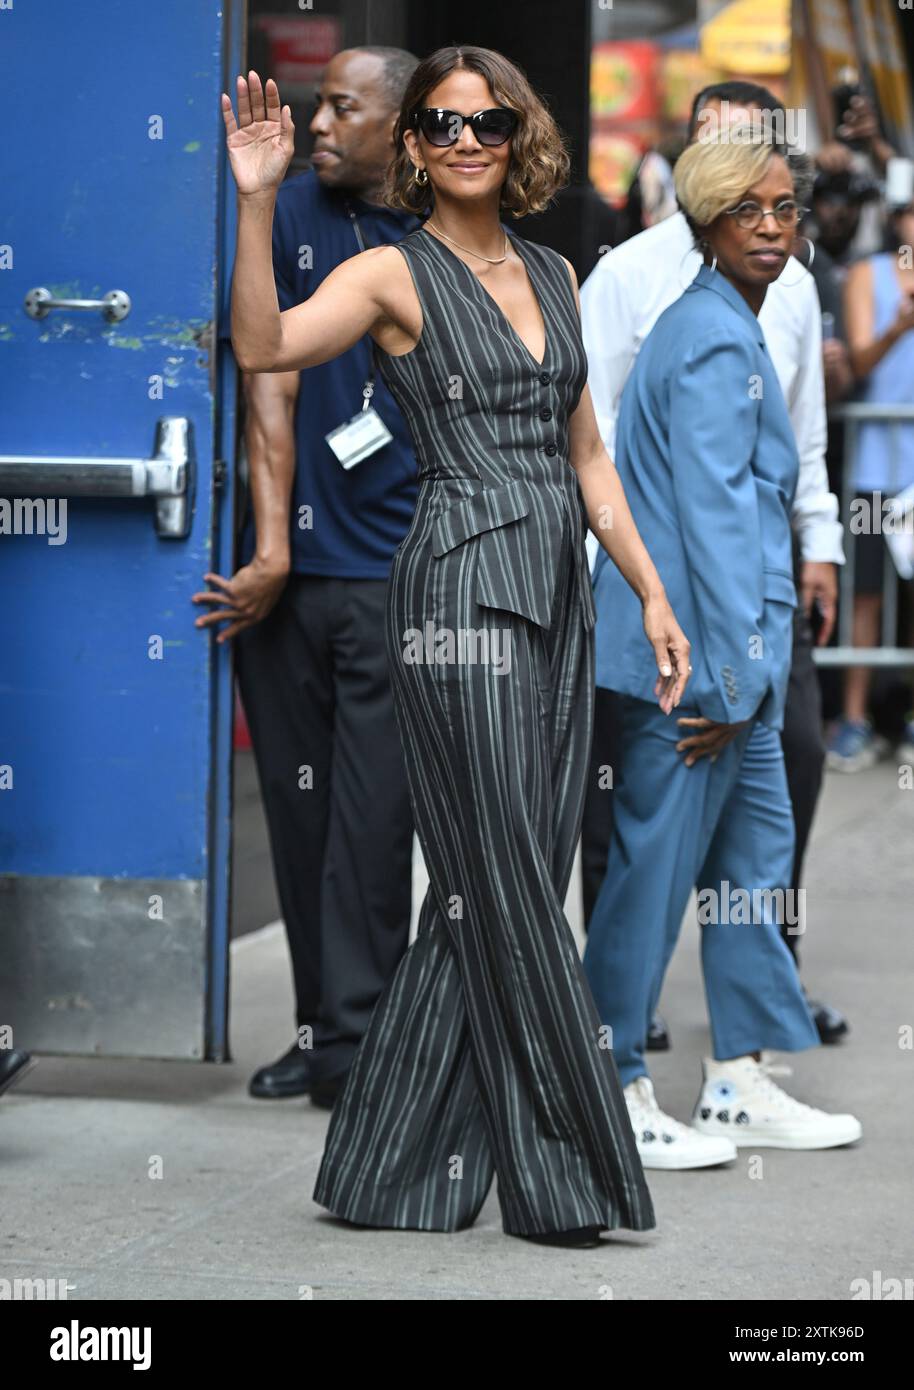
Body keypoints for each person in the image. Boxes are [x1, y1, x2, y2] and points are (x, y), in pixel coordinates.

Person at [222, 46, 691, 1247]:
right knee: (514, 885)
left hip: (558, 595)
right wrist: (258, 199)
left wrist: (648, 593)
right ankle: (571, 1167)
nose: (466, 139)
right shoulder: (390, 272)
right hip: (452, 597)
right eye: (441, 122)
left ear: (513, 134)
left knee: (491, 886)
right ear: (417, 147)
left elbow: (589, 460)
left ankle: (385, 1165)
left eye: (486, 122)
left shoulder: (554, 271)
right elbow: (267, 349)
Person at [582, 122, 863, 1170]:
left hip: (731, 658)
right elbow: (705, 516)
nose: (771, 226)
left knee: (751, 868)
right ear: (701, 218)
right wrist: (733, 684)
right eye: (745, 208)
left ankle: (738, 1076)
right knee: (651, 876)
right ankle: (605, 1081)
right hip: (692, 668)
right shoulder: (704, 332)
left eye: (784, 208)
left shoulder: (736, 321)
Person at [194, 48, 421, 1107]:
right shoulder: (285, 213)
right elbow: (266, 377)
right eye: (318, 102)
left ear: (398, 124)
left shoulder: (434, 234)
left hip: (397, 577)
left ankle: (368, 1039)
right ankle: (320, 1027)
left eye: (342, 106)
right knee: (300, 813)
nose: (318, 121)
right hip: (295, 574)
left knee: (374, 825)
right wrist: (273, 543)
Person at [827, 195, 914, 771]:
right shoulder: (869, 274)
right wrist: (900, 325)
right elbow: (858, 362)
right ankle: (854, 718)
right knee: (865, 592)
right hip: (877, 461)